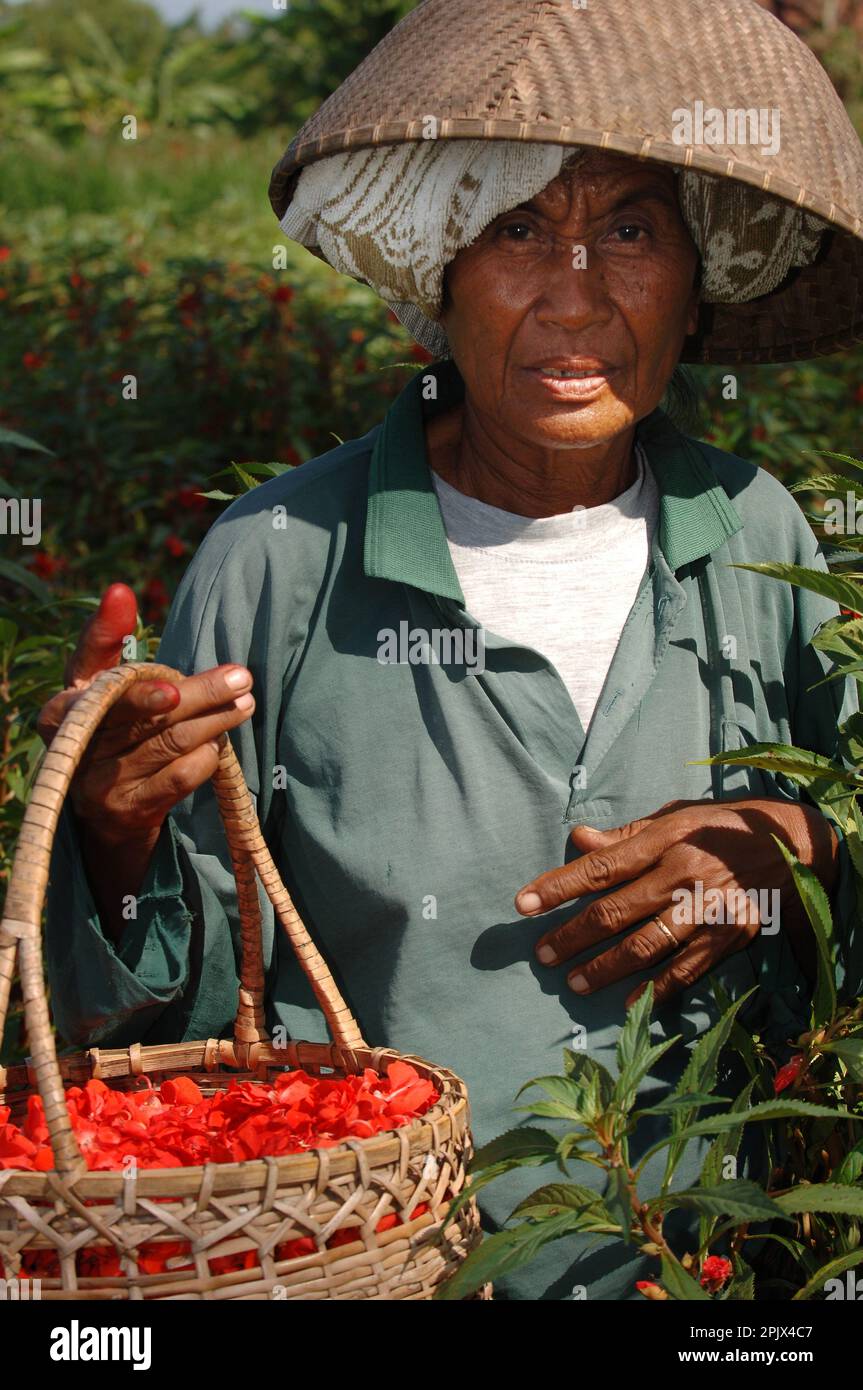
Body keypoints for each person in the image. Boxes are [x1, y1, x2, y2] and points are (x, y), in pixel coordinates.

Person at [38, 0, 863, 1298]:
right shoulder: (277, 564)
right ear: (438, 274)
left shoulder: (756, 538)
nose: (574, 287)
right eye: (518, 226)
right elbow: (147, 1043)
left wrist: (804, 852)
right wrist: (112, 836)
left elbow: (849, 869)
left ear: (695, 282)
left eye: (631, 230)